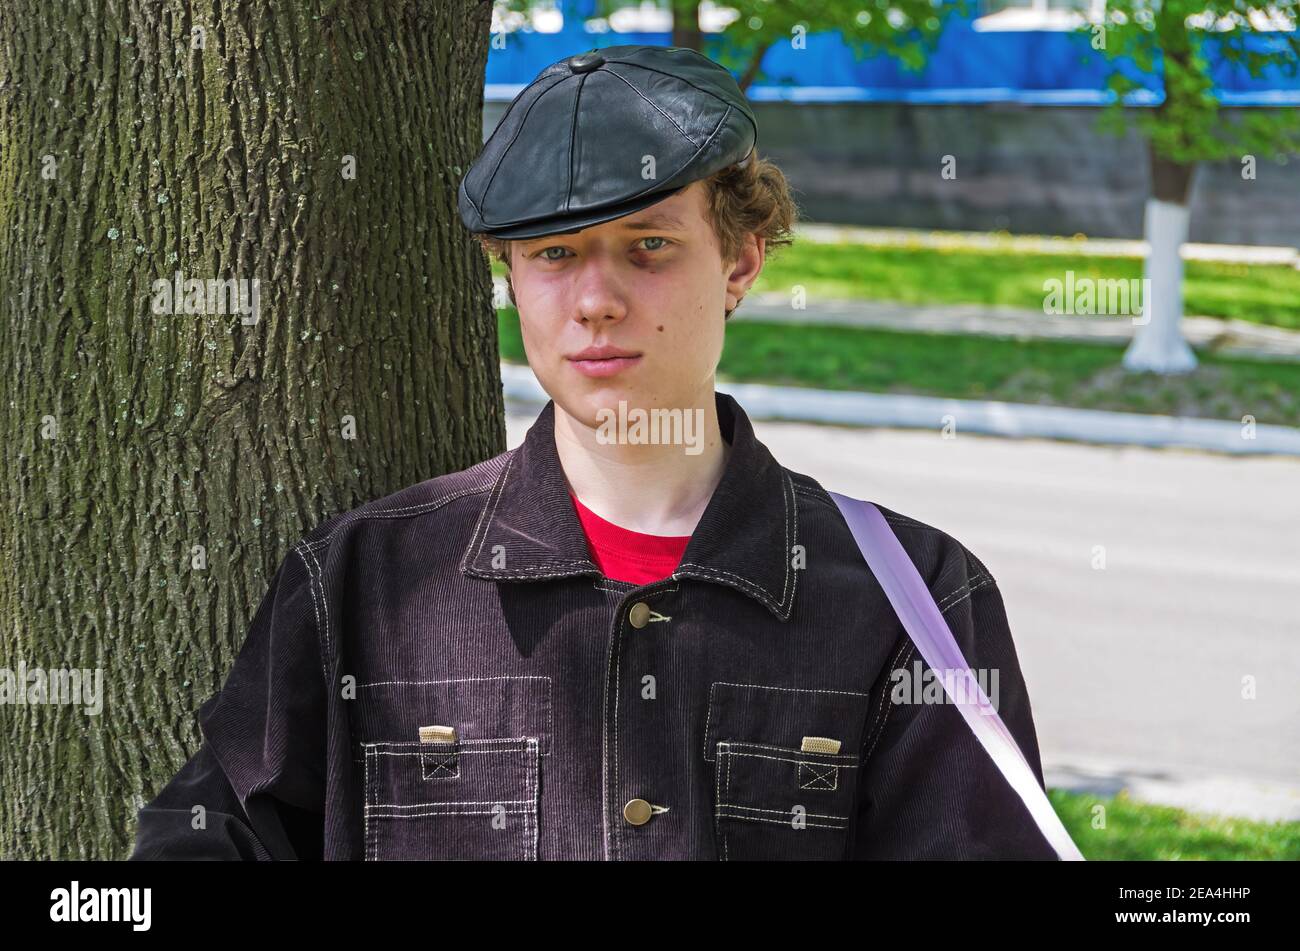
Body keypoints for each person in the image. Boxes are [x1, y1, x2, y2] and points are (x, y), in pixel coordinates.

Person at [131, 44, 1058, 861]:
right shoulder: (363, 583)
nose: (596, 300)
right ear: (512, 276)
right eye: (555, 254)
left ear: (739, 262)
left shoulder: (916, 601)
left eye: (648, 247)